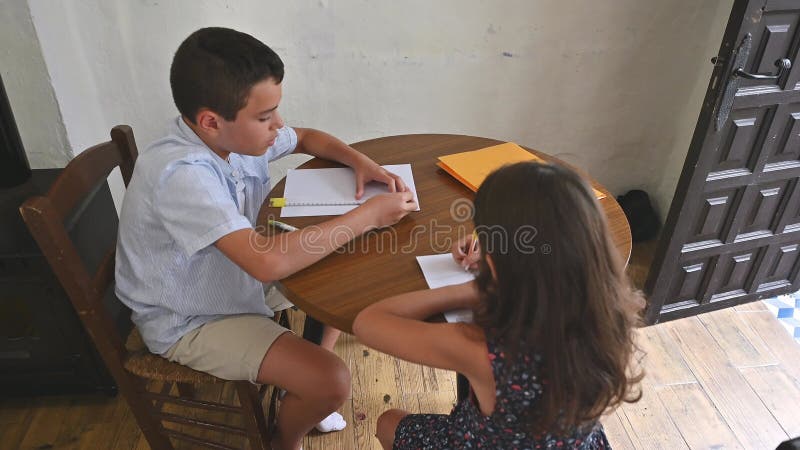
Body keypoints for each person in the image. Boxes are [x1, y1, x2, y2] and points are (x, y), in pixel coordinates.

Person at [115, 27, 417, 450]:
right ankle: (283, 439)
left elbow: (309, 137)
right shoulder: (182, 175)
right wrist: (367, 215)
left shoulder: (231, 138)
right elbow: (267, 263)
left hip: (235, 278)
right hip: (191, 317)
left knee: (342, 272)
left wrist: (359, 162)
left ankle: (305, 384)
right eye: (265, 117)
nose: (278, 125)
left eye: (276, 110)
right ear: (210, 121)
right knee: (332, 381)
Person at [353, 162, 644, 449]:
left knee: (388, 423)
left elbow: (367, 322)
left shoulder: (485, 350)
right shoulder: (612, 314)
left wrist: (471, 289)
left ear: (496, 265)